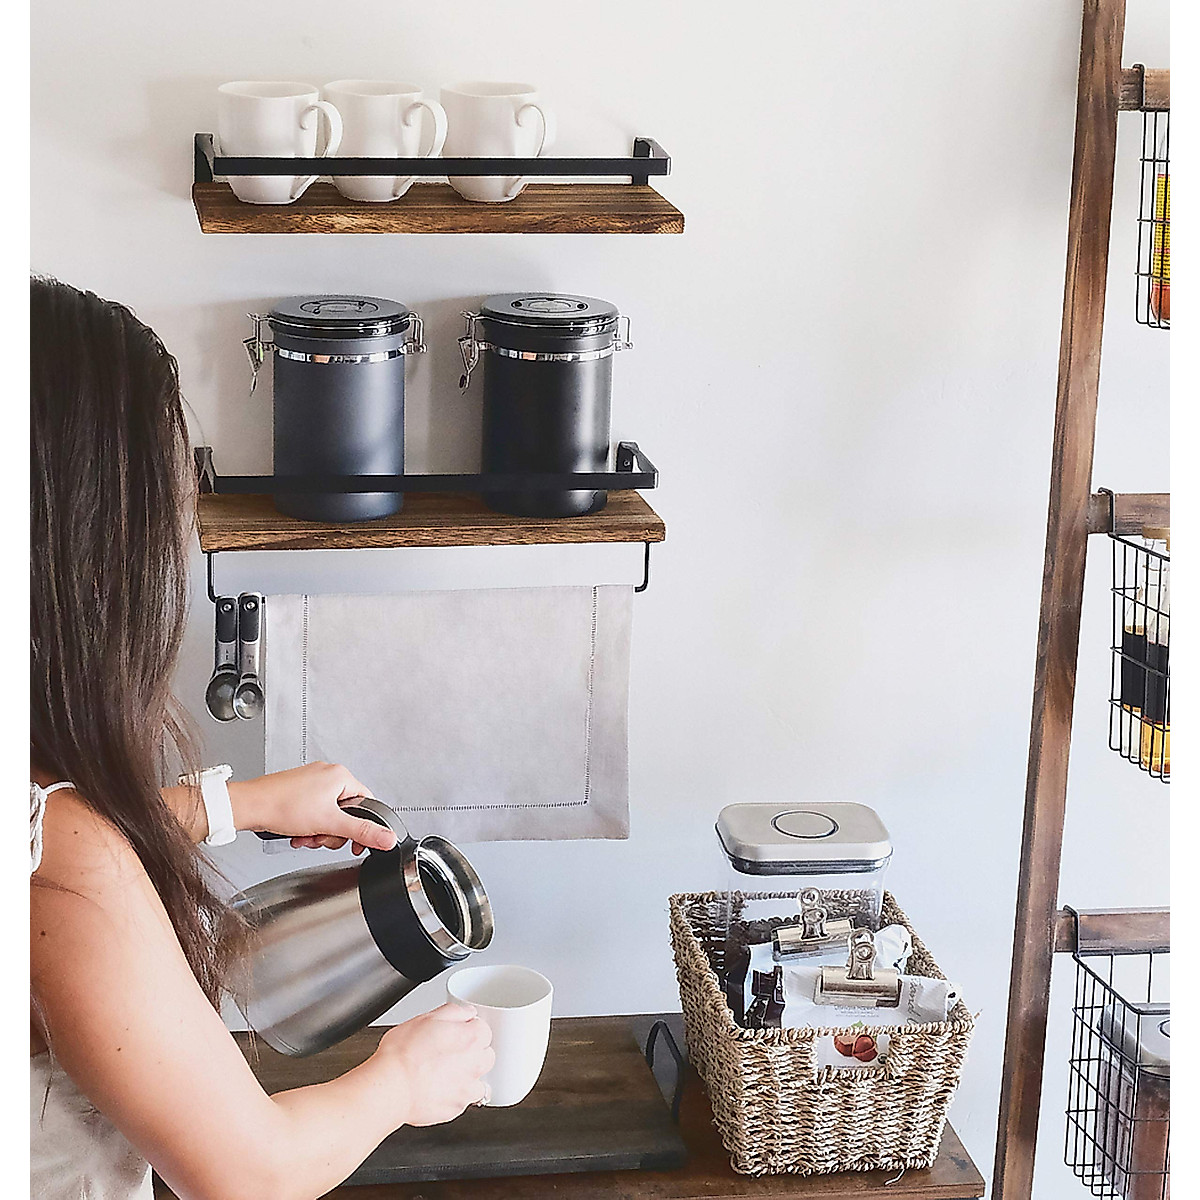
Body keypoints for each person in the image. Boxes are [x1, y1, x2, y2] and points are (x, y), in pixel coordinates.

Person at [30, 276, 495, 1200]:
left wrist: (228, 804)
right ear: (92, 547)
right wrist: (401, 1080)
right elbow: (253, 1173)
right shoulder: (72, 865)